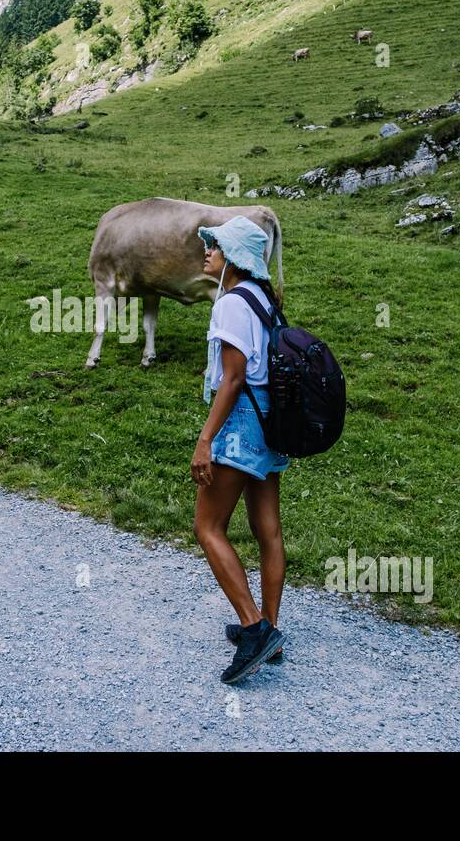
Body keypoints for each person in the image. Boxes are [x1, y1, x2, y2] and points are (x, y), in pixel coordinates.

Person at [191, 216, 288, 685]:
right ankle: (270, 627)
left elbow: (232, 380)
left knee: (207, 526)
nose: (207, 252)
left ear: (235, 257)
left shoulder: (231, 303)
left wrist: (206, 439)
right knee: (266, 529)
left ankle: (252, 630)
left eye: (215, 246)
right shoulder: (265, 299)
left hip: (242, 421)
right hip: (271, 419)